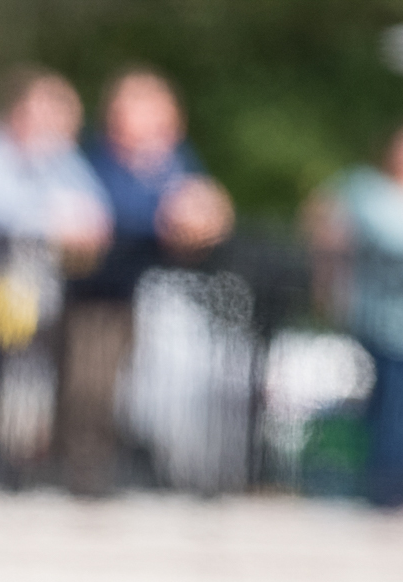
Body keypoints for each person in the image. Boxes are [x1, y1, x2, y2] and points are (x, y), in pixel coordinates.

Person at [58, 68, 233, 495]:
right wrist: (164, 220)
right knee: (90, 388)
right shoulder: (94, 159)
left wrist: (202, 218)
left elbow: (206, 214)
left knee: (162, 392)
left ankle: (161, 469)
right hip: (103, 294)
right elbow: (105, 215)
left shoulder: (176, 162)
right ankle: (86, 474)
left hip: (165, 298)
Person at [0, 69, 112, 485]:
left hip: (34, 299)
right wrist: (51, 219)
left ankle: (13, 474)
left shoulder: (63, 160)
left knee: (24, 396)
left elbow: (95, 219)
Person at [304, 125, 403, 507]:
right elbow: (323, 216)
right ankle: (385, 488)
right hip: (379, 321)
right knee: (388, 406)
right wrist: (330, 279)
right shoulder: (366, 191)